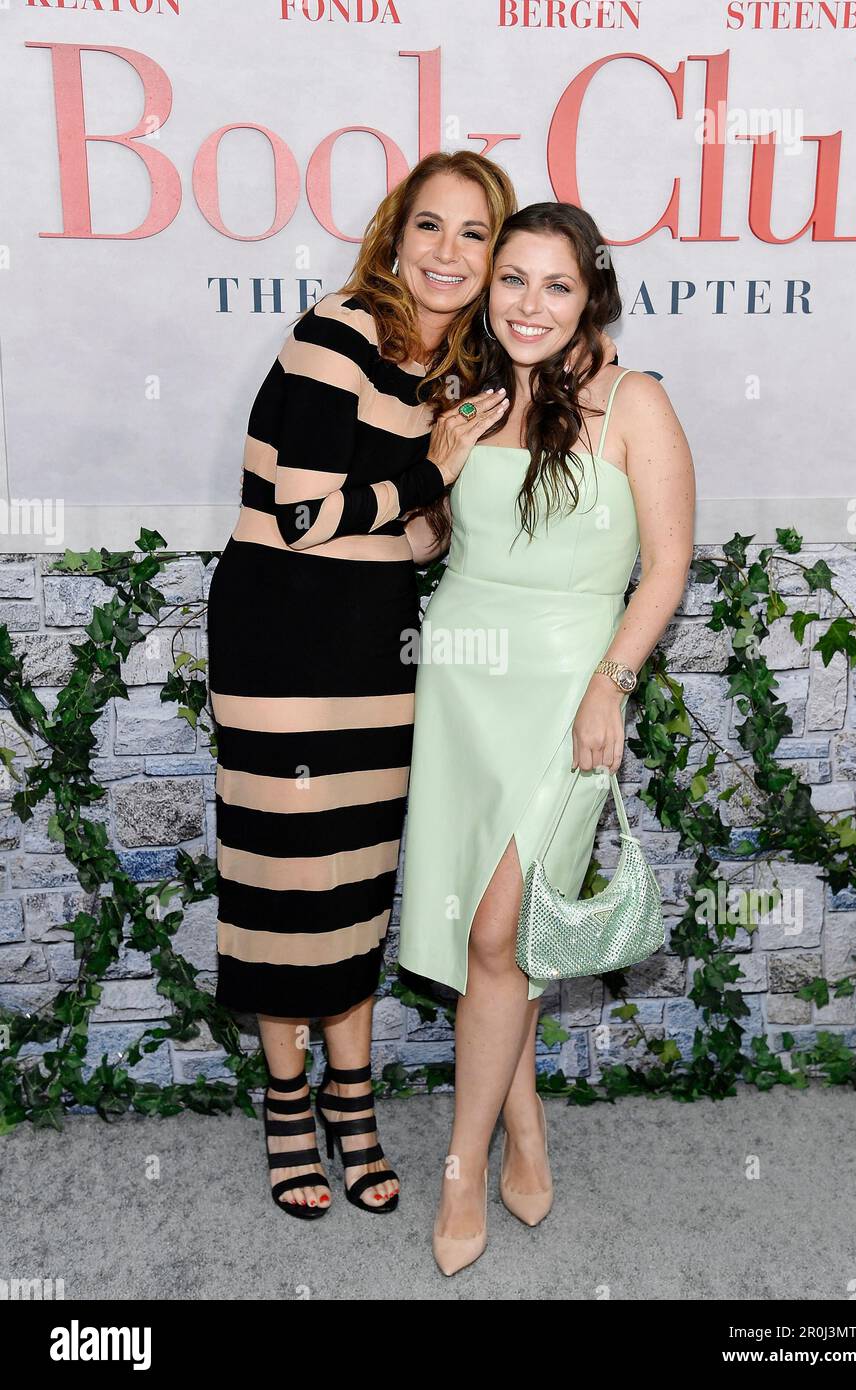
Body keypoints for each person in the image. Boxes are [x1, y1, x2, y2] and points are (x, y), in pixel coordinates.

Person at [205, 151, 518, 1218]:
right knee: (288, 876)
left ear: (492, 255)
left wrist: (432, 481)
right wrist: (431, 466)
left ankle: (352, 1095)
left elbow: (418, 541)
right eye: (428, 227)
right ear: (394, 238)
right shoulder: (339, 328)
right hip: (280, 639)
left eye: (473, 234)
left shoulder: (452, 380)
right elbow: (303, 514)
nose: (447, 252)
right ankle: (287, 1098)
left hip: (374, 642)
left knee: (351, 875)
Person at [398, 202, 695, 1272]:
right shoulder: (469, 397)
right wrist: (435, 463)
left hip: (567, 690)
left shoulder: (634, 402)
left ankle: (461, 1167)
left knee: (497, 935)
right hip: (463, 683)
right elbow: (431, 545)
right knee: (483, 940)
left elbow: (665, 564)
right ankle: (523, 1124)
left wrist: (610, 683)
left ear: (591, 294)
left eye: (554, 285)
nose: (527, 304)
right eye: (510, 279)